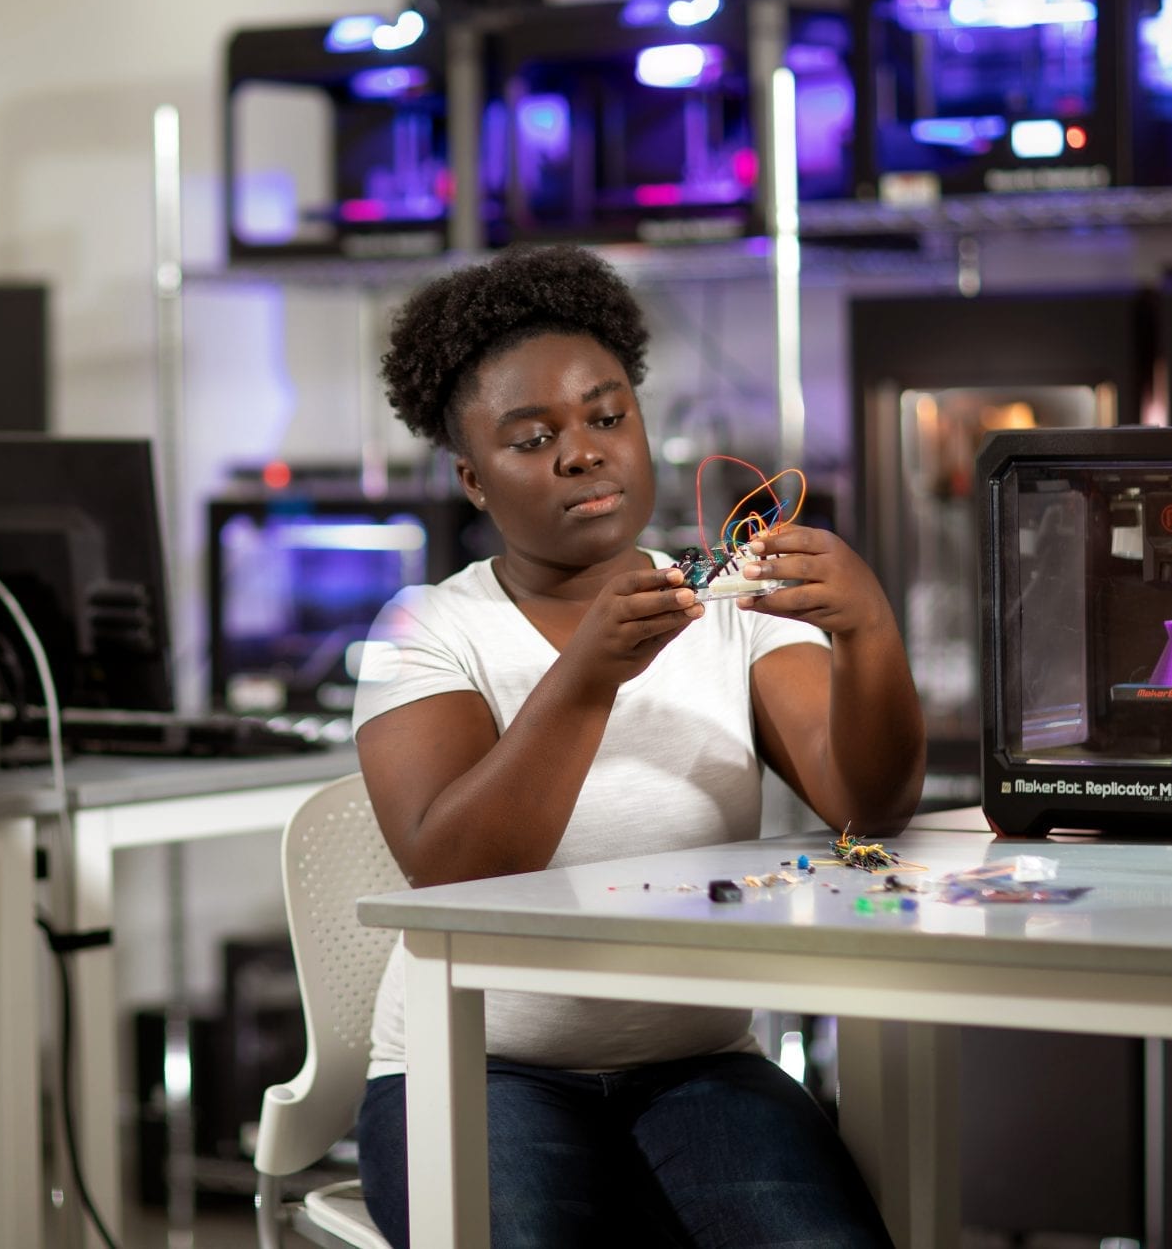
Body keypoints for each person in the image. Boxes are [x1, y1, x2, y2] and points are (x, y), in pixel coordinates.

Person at [351, 244, 925, 1248]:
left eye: (606, 416)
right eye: (531, 438)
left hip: (699, 1064)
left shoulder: (729, 605)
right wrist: (584, 680)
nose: (582, 451)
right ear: (472, 479)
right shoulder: (423, 629)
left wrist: (867, 633)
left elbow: (864, 806)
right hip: (473, 1068)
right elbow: (449, 875)